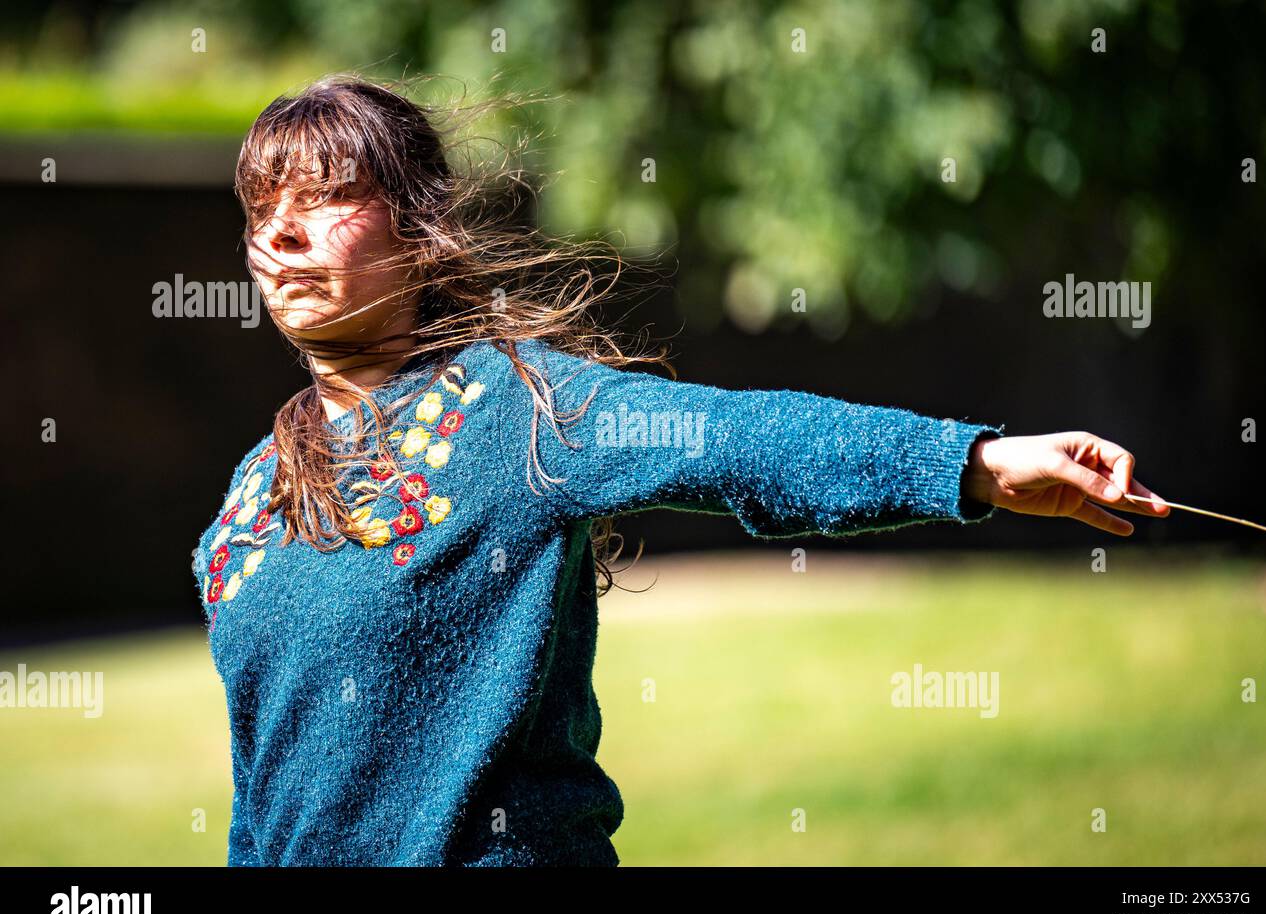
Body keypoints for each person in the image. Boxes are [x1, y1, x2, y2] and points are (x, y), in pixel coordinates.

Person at [193, 74, 1169, 866]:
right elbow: (263, 796)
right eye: (262, 208)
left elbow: (738, 437)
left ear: (416, 227)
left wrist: (972, 462)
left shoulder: (519, 410)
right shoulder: (251, 495)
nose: (281, 234)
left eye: (326, 200)